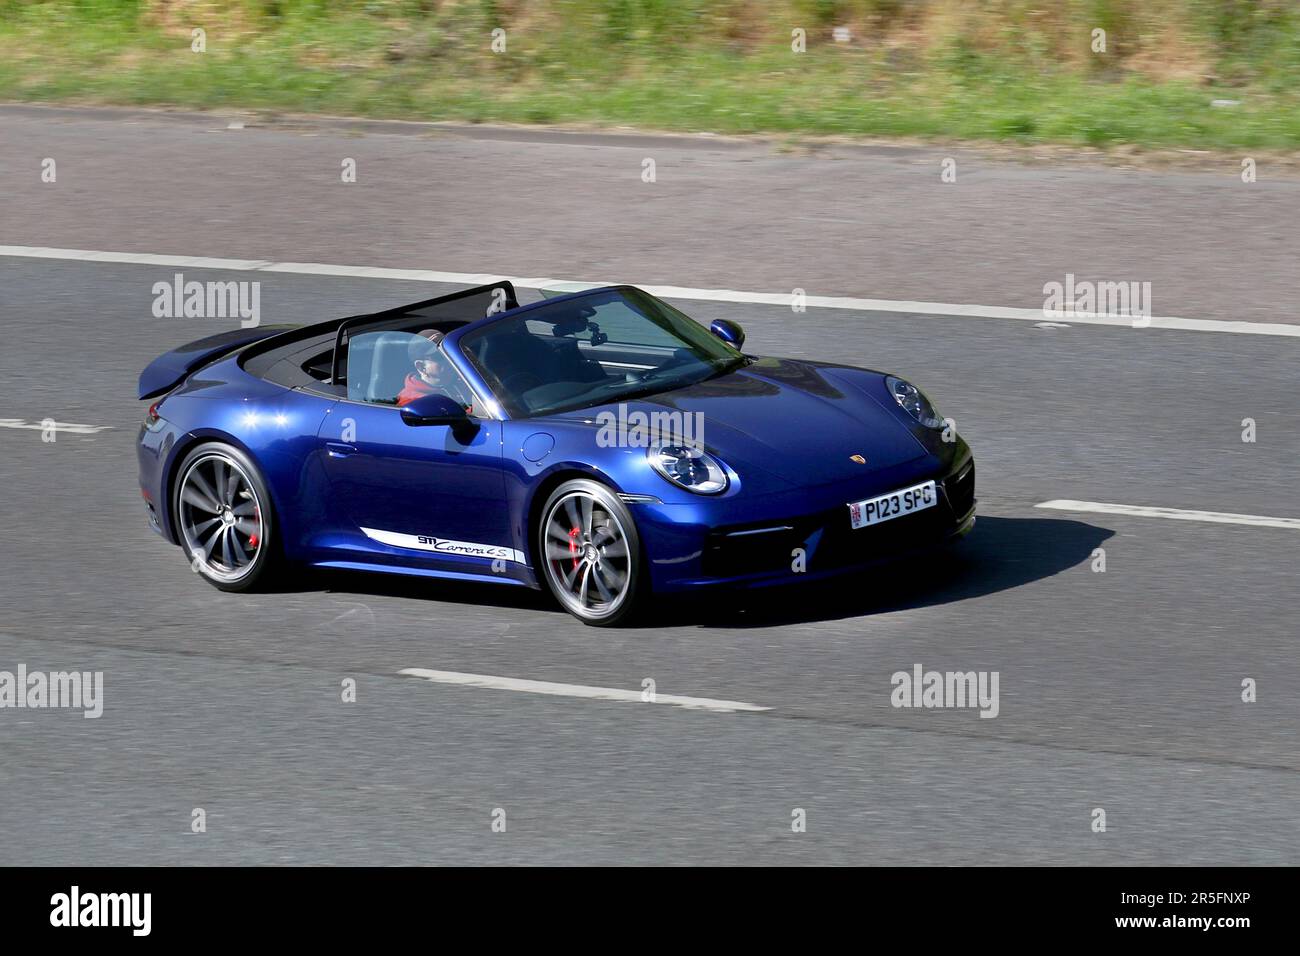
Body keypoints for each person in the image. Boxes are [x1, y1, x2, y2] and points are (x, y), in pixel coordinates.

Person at [395, 329, 474, 413]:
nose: (448, 357)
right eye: (439, 355)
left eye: (448, 351)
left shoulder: (464, 378)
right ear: (421, 367)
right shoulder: (412, 403)